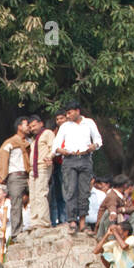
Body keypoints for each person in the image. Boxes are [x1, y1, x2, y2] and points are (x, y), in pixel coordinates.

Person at [51, 101, 101, 235]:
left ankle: (83, 222)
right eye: (66, 113)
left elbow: (98, 140)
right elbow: (55, 145)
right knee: (70, 190)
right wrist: (62, 151)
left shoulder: (89, 122)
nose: (68, 116)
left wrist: (94, 146)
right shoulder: (65, 127)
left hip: (85, 158)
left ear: (77, 111)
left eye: (70, 112)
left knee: (84, 191)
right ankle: (72, 221)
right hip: (69, 159)